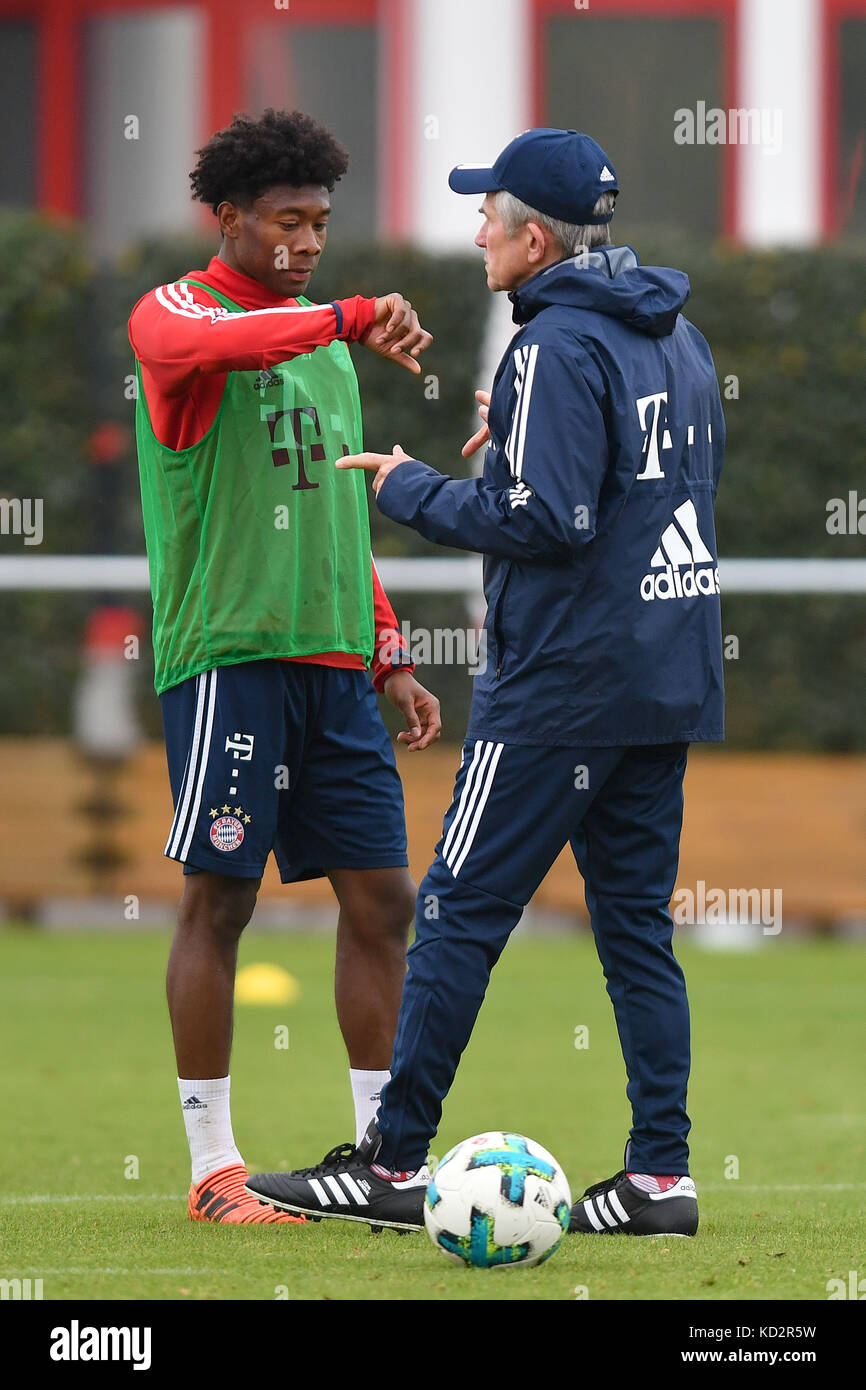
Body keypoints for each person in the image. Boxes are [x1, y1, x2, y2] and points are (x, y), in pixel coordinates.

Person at [247, 127, 725, 1237]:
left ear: (534, 238)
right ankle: (660, 1178)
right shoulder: (678, 334)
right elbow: (630, 495)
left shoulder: (557, 344)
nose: (476, 233)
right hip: (663, 678)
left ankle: (393, 1163)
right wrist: (513, 442)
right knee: (636, 934)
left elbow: (544, 522)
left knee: (458, 912)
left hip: (560, 688)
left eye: (488, 216)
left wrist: (409, 489)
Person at [128, 109, 440, 1226]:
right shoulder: (177, 310)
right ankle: (216, 1169)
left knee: (383, 899)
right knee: (220, 901)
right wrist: (343, 316)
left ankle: (378, 1160)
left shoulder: (324, 348)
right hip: (230, 655)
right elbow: (214, 345)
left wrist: (388, 650)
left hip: (332, 664)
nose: (306, 240)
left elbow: (340, 514)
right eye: (286, 221)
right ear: (229, 217)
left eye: (319, 223)